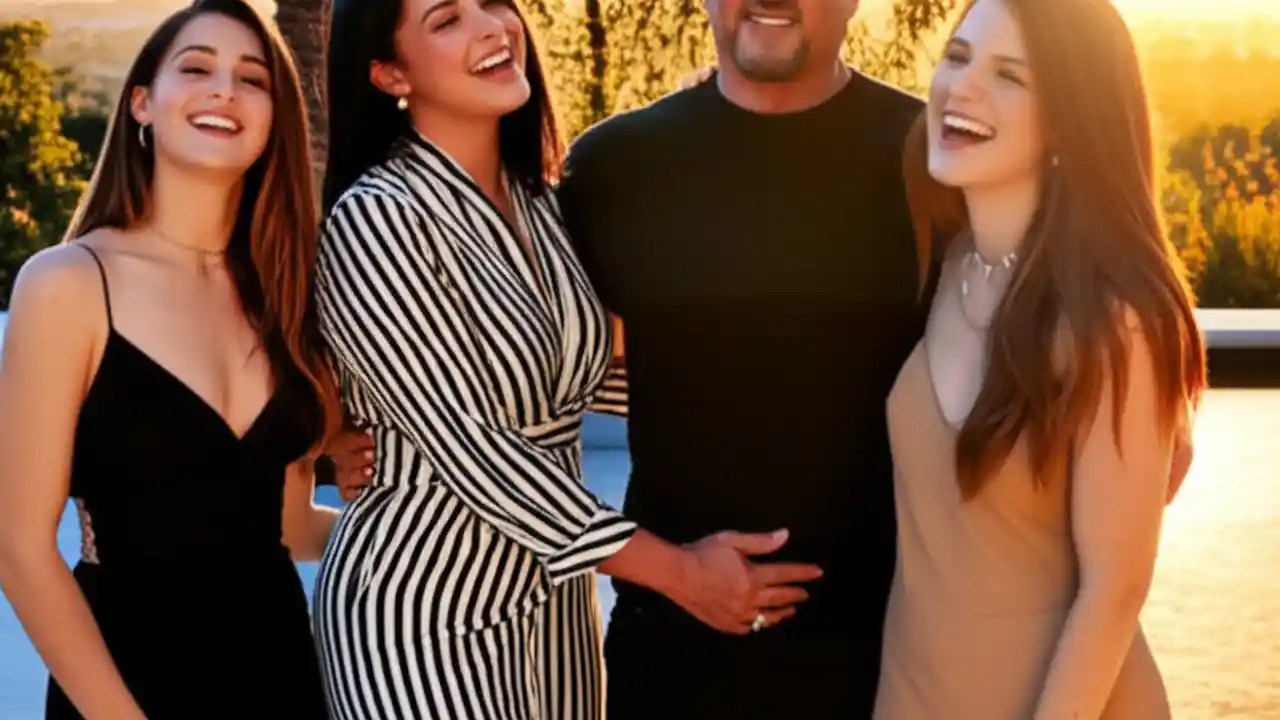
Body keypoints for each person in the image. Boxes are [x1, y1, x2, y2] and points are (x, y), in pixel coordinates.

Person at [331, 0, 1195, 716]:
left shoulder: (931, 160)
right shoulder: (615, 167)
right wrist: (336, 423)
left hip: (882, 658)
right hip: (664, 650)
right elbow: (506, 360)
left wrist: (1154, 405)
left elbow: (1062, 266)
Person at [311, 1, 821, 718]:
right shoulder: (379, 217)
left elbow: (584, 380)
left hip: (555, 606)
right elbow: (474, 449)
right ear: (389, 72)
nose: (492, 26)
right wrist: (679, 572)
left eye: (492, 3)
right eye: (447, 19)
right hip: (422, 607)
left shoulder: (540, 205)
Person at [0, 1, 341, 717]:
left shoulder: (287, 293)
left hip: (282, 680)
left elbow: (287, 527)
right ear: (141, 104)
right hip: (124, 687)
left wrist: (414, 522)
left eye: (253, 79)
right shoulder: (68, 283)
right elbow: (20, 548)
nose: (224, 90)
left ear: (275, 118)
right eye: (196, 68)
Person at [873, 0, 1205, 718]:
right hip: (916, 695)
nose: (962, 88)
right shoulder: (944, 260)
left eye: (1010, 76)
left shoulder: (1114, 321)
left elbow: (1116, 590)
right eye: (957, 58)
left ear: (1069, 123)